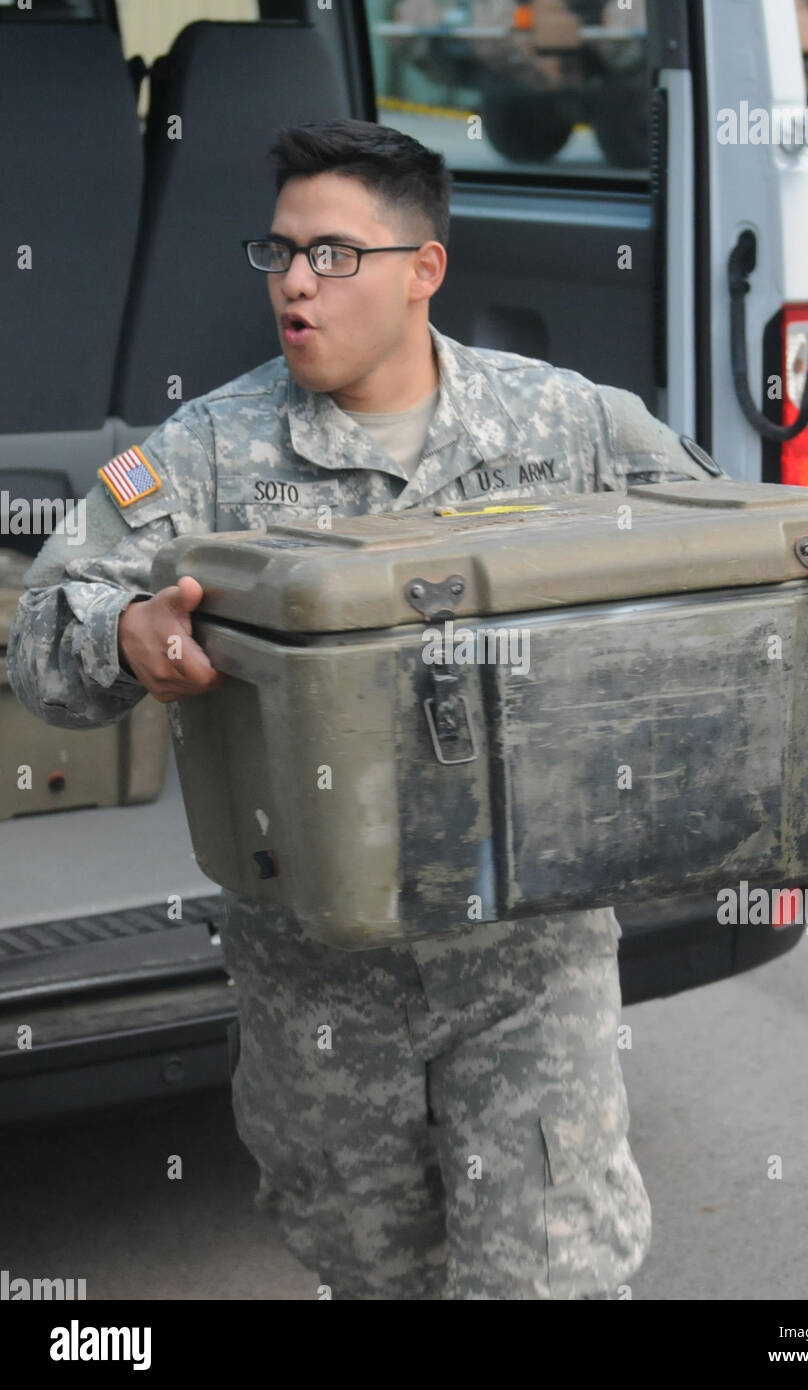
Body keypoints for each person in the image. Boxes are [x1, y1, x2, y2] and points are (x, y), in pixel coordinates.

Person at [7, 119, 721, 1300]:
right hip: (319, 984)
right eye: (280, 252)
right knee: (372, 1269)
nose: (295, 282)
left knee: (550, 1276)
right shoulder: (206, 452)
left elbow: (722, 566)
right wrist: (125, 637)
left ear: (421, 271)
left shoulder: (572, 425)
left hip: (525, 958)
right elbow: (41, 636)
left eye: (334, 253)